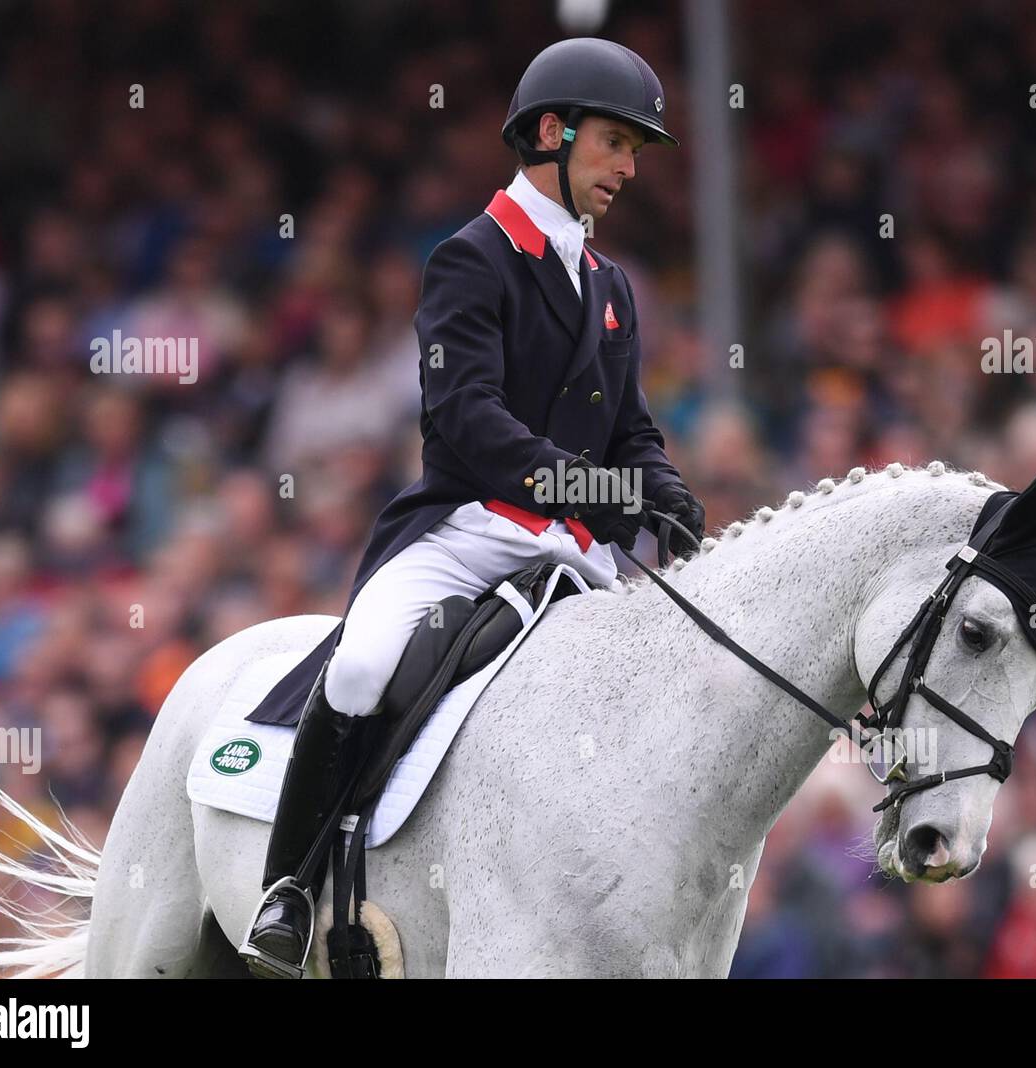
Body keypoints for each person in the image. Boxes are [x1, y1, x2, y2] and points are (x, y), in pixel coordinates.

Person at [239, 37, 705, 978]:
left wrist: (667, 492)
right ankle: (287, 888)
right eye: (616, 144)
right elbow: (467, 419)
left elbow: (633, 432)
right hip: (467, 533)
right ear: (550, 132)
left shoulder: (609, 286)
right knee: (365, 665)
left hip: (580, 554)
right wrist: (600, 490)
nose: (628, 168)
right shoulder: (470, 258)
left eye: (635, 151)